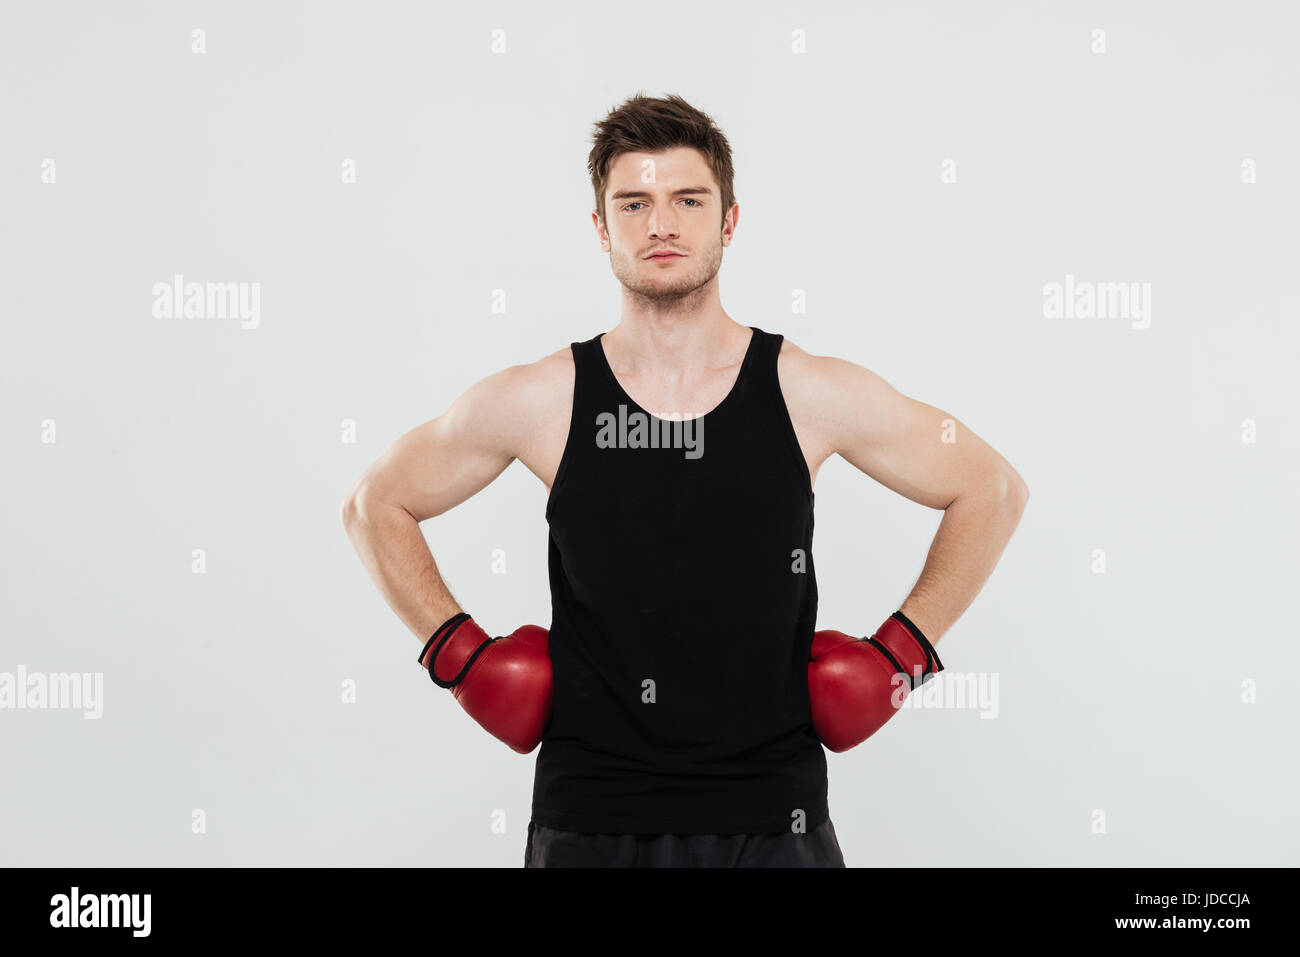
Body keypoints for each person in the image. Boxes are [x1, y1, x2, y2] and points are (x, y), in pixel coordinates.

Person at [341, 93, 1029, 867]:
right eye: (633, 203)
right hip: (589, 819)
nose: (660, 224)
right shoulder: (541, 400)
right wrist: (457, 653)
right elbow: (376, 504)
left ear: (729, 221)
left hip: (776, 820)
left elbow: (991, 489)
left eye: (687, 200)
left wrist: (904, 652)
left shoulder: (807, 391)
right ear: (601, 229)